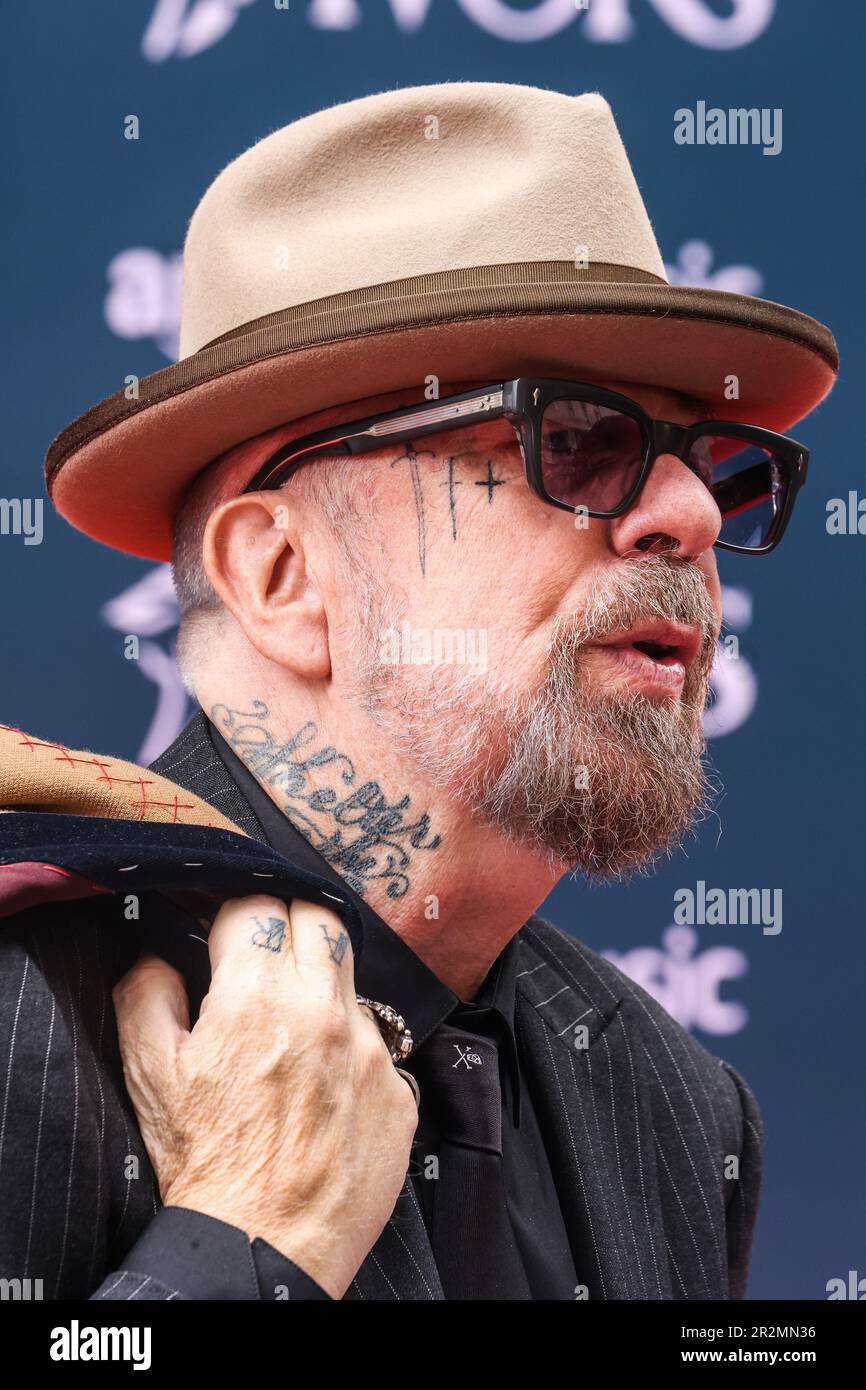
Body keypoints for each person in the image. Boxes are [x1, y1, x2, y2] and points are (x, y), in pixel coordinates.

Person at [1, 81, 837, 1300]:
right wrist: (240, 1245)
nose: (693, 514)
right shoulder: (19, 1006)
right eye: (574, 439)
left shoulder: (677, 1105)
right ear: (282, 574)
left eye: (709, 463)